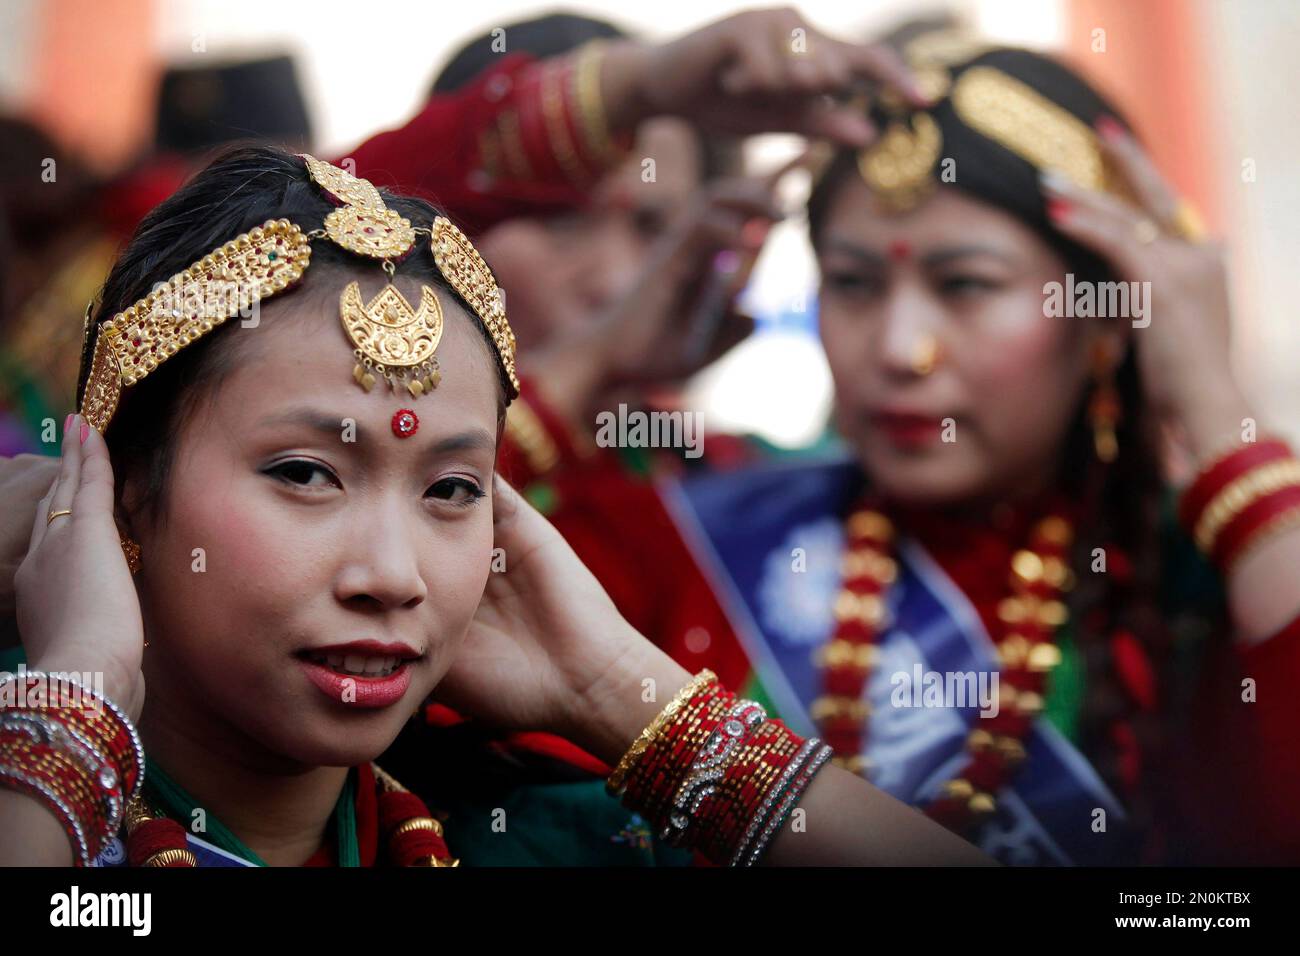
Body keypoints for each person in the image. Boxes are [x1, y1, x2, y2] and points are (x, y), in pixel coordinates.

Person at [0, 146, 989, 868]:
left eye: (451, 489)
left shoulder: (539, 835)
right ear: (123, 490)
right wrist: (78, 705)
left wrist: (618, 690)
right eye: (305, 474)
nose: (392, 575)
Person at [475, 31, 1300, 865]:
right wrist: (598, 363)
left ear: (1105, 314)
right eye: (855, 283)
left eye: (965, 284)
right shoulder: (704, 525)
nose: (902, 348)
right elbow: (436, 545)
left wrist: (1217, 414)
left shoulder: (1206, 579)